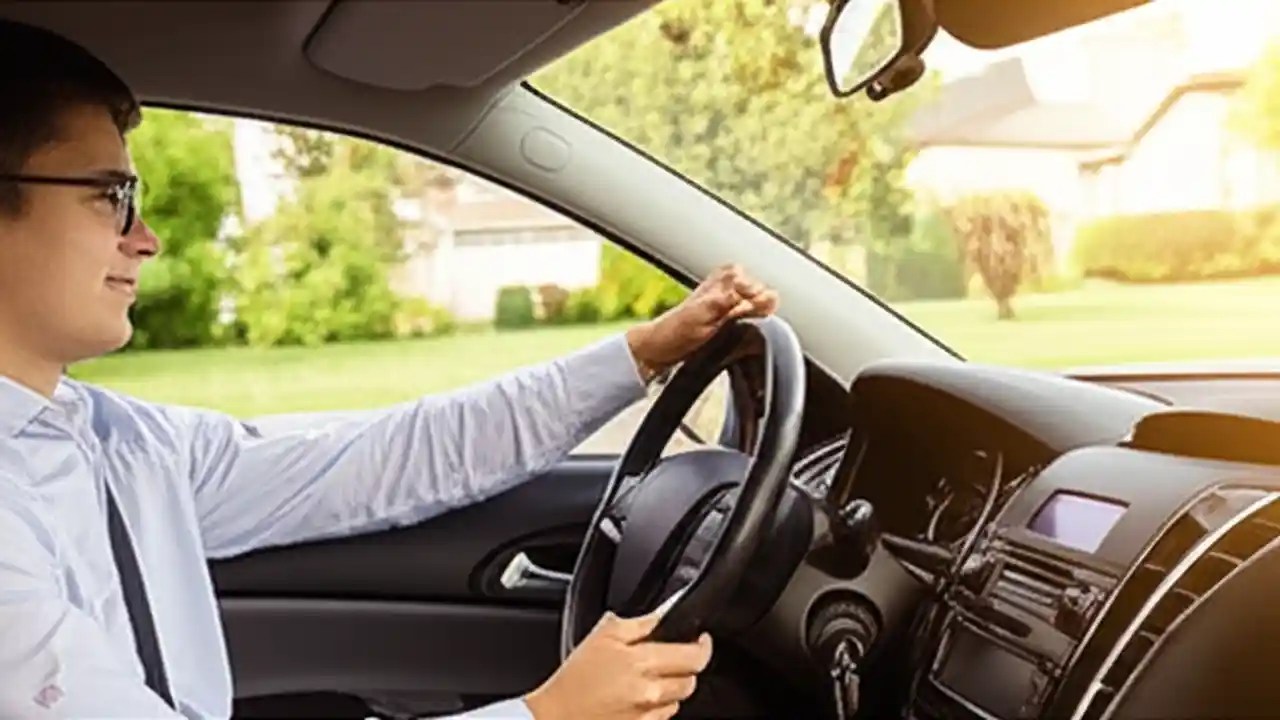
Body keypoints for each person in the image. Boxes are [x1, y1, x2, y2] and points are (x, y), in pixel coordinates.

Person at [0, 19, 780, 720]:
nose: (146, 239)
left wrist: (641, 353)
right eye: (112, 196)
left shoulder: (117, 440)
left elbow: (385, 457)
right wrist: (548, 716)